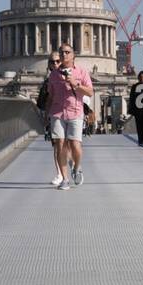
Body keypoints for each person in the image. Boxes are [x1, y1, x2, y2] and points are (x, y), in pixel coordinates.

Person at [45, 44, 93, 190]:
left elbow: (90, 92)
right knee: (60, 144)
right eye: (62, 53)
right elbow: (50, 96)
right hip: (57, 112)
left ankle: (77, 167)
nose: (64, 55)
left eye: (67, 52)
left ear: (73, 55)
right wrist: (47, 115)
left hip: (75, 111)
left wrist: (75, 84)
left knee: (75, 145)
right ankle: (64, 179)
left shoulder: (82, 72)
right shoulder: (53, 75)